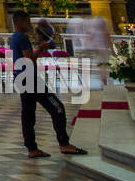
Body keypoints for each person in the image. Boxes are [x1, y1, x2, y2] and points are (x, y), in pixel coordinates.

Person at [10, 10, 88, 159]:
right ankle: (64, 144)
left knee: (28, 115)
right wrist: (40, 48)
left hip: (21, 77)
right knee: (57, 107)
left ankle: (32, 148)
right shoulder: (21, 37)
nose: (29, 25)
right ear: (19, 22)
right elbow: (29, 59)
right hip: (29, 79)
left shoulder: (15, 37)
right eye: (27, 22)